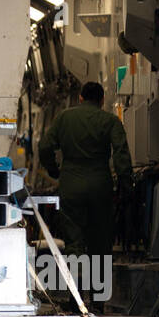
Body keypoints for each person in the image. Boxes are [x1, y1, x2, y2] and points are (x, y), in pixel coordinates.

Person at [38, 81, 133, 259]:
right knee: (101, 240)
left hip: (71, 184)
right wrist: (126, 185)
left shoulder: (64, 118)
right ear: (102, 100)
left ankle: (77, 282)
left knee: (74, 240)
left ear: (80, 98)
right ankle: (99, 286)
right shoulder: (111, 121)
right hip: (100, 185)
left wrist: (53, 170)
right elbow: (121, 154)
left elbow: (44, 147)